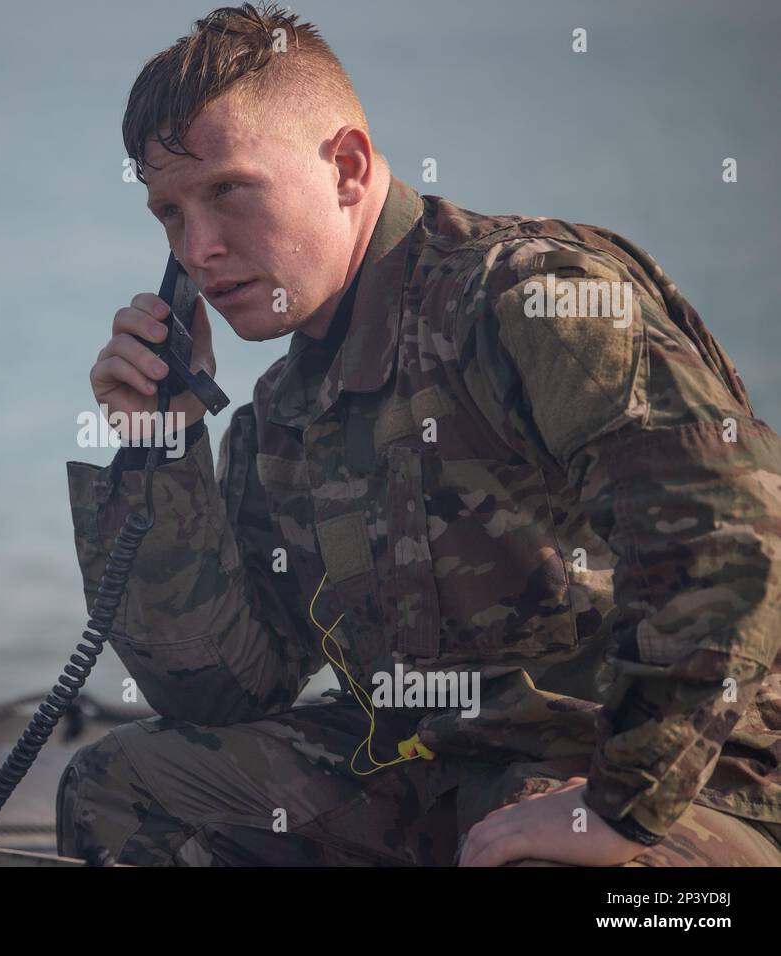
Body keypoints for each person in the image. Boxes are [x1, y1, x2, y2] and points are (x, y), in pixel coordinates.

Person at [58, 2, 781, 866]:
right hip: (440, 773)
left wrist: (622, 805)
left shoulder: (529, 301)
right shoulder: (282, 416)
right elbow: (216, 691)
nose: (199, 249)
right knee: (125, 784)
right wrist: (161, 450)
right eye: (169, 214)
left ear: (348, 168)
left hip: (681, 784)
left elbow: (735, 535)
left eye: (228, 192)